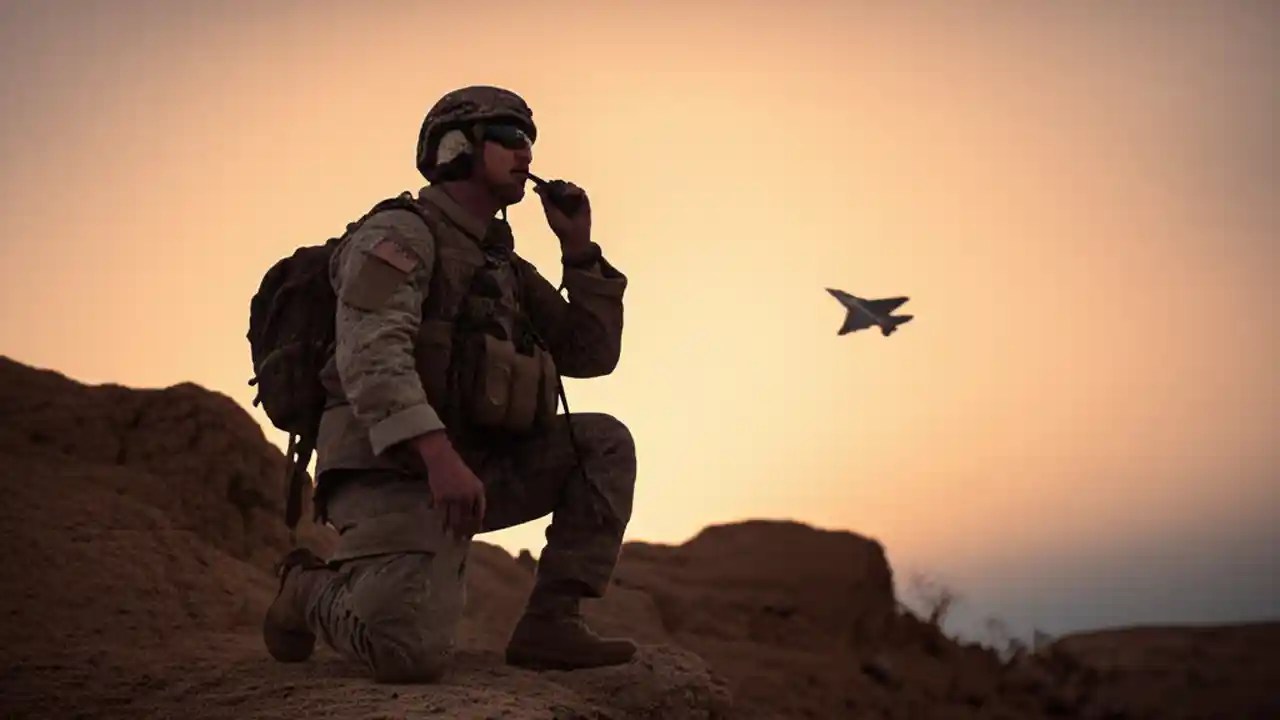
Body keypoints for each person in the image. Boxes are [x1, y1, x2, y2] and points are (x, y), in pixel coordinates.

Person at [261, 85, 638, 683]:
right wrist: (435, 452)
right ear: (459, 147)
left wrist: (579, 249)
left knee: (603, 443)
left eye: (530, 141)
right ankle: (307, 588)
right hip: (388, 468)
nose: (528, 155)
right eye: (512, 138)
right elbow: (371, 351)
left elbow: (590, 354)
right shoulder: (400, 234)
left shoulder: (500, 263)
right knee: (407, 653)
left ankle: (552, 622)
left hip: (465, 467)